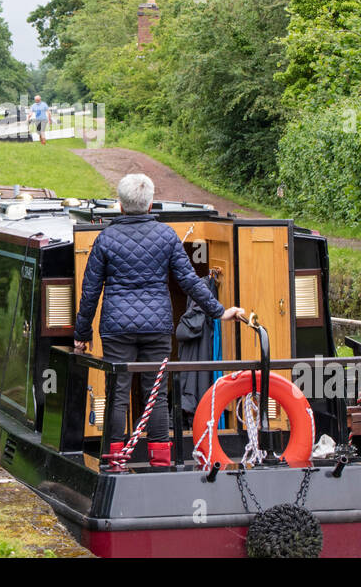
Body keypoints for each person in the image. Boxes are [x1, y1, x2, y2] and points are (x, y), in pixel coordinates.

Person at [73, 173, 245, 469]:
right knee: (156, 395)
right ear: (151, 204)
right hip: (157, 328)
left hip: (117, 329)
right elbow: (190, 281)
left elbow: (90, 292)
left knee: (118, 394)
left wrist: (82, 333)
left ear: (120, 206)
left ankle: (114, 463)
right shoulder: (166, 236)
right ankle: (161, 462)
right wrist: (219, 311)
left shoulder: (105, 239)